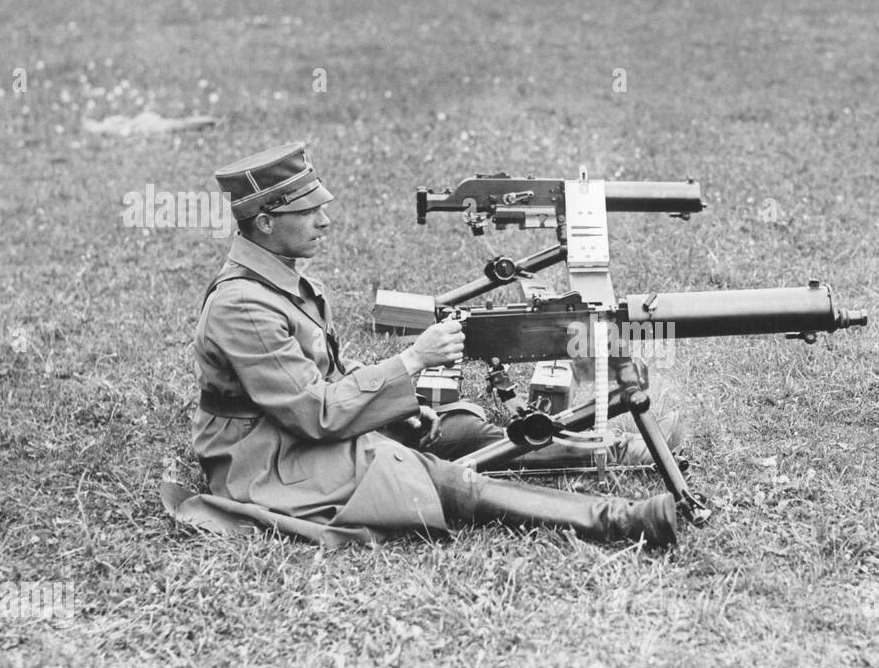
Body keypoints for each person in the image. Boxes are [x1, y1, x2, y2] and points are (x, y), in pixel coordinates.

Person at [171, 142, 678, 550]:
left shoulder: (283, 280)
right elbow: (313, 414)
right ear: (264, 222)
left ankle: (607, 451)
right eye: (308, 212)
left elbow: (329, 375)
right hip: (265, 457)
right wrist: (411, 360)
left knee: (459, 429)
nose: (325, 221)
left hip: (297, 427)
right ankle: (617, 521)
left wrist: (393, 412)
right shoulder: (242, 306)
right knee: (428, 475)